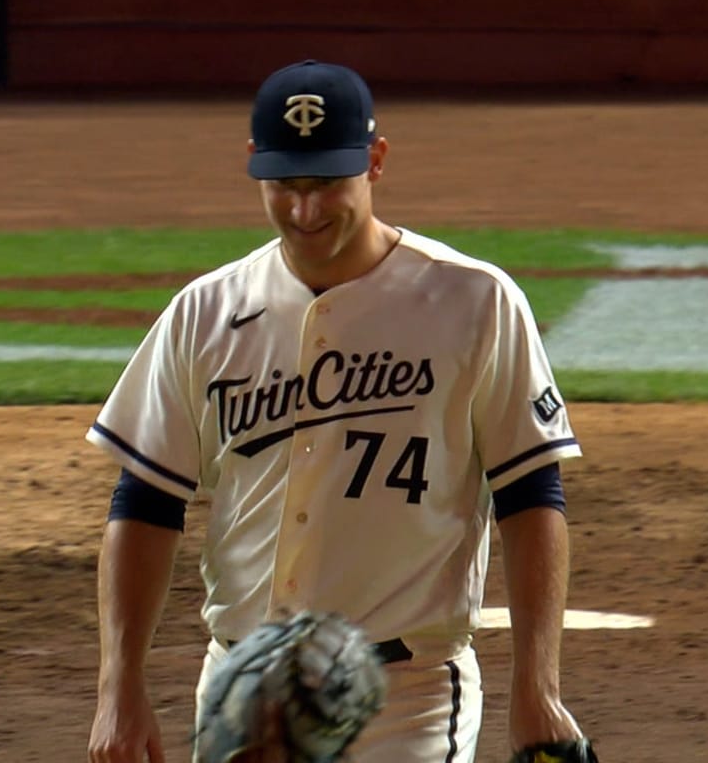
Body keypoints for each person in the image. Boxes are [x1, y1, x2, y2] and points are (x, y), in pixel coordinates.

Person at [85, 59, 591, 762]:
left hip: (405, 697)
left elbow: (530, 492)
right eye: (285, 186)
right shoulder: (204, 313)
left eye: (326, 184)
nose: (305, 211)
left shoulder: (475, 301)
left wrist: (538, 687)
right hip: (243, 693)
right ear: (255, 166)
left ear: (376, 162)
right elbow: (145, 500)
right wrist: (120, 687)